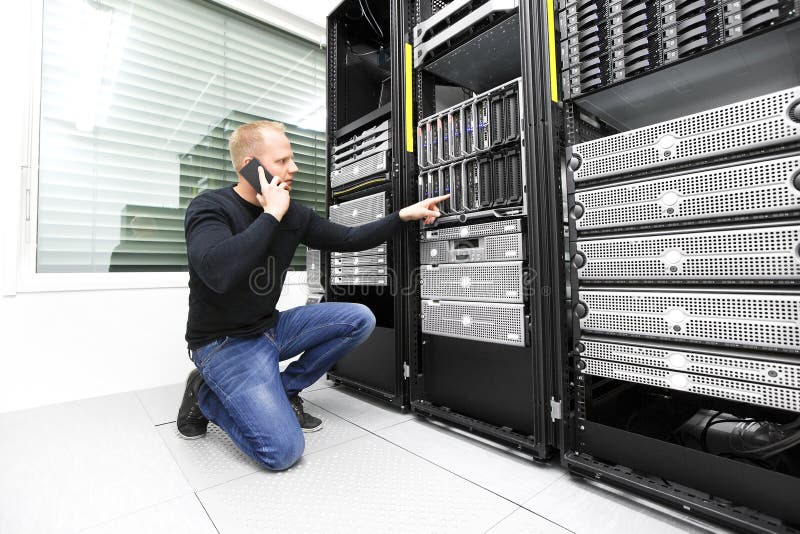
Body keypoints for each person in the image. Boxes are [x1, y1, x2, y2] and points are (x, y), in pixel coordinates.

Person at [177, 120, 448, 471]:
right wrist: (271, 213)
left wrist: (403, 216)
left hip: (269, 328)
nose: (294, 168)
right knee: (282, 452)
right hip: (222, 344)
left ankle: (286, 389)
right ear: (250, 167)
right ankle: (205, 393)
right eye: (282, 161)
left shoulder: (296, 214)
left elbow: (349, 238)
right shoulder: (209, 208)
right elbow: (218, 272)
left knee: (359, 318)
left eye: (292, 159)